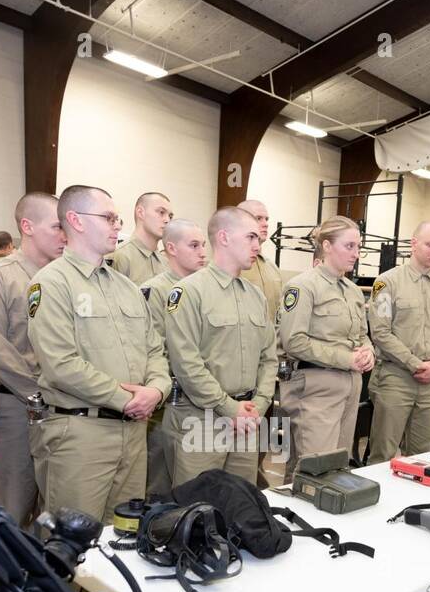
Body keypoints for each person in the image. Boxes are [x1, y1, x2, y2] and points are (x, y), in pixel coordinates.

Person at [27, 185, 169, 523]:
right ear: (75, 220)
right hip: (81, 435)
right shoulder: (51, 283)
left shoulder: (128, 288)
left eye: (116, 218)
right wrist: (127, 398)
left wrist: (157, 390)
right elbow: (60, 363)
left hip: (133, 434)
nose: (117, 226)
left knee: (124, 537)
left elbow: (155, 350)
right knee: (72, 542)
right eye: (108, 218)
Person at [0, 192, 65, 525]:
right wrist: (38, 391)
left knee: (55, 507)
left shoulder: (67, 278)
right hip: (21, 405)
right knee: (12, 502)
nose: (65, 235)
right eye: (57, 226)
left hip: (66, 406)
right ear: (28, 226)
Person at [165, 207, 276, 486]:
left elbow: (269, 358)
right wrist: (229, 409)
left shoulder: (255, 297)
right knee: (199, 509)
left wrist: (257, 408)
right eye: (250, 237)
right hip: (202, 420)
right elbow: (186, 363)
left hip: (247, 419)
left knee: (242, 509)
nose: (257, 245)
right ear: (224, 237)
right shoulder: (189, 291)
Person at [278, 215, 373, 477]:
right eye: (349, 246)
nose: (356, 253)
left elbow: (362, 335)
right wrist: (346, 359)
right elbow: (293, 341)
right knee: (312, 470)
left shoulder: (353, 291)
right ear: (328, 246)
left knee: (337, 468)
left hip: (350, 388)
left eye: (358, 246)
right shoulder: (302, 286)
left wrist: (368, 352)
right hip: (315, 389)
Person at [366, 221, 430, 463]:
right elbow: (380, 332)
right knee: (383, 455)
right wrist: (414, 364)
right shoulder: (384, 283)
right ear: (414, 243)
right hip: (395, 378)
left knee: (422, 457)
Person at [141, 218, 207, 496]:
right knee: (161, 484)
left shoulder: (207, 288)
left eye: (204, 244)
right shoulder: (155, 291)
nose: (203, 252)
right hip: (170, 402)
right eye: (194, 245)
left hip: (205, 399)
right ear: (171, 248)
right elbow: (153, 347)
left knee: (199, 483)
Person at [238, 198, 284, 486]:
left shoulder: (271, 268)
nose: (264, 223)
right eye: (257, 218)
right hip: (242, 366)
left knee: (264, 437)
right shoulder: (238, 265)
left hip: (268, 367)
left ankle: (255, 484)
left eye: (266, 218)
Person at [109, 191, 171, 284]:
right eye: (161, 212)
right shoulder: (119, 257)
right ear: (141, 212)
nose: (167, 220)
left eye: (170, 216)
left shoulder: (166, 262)